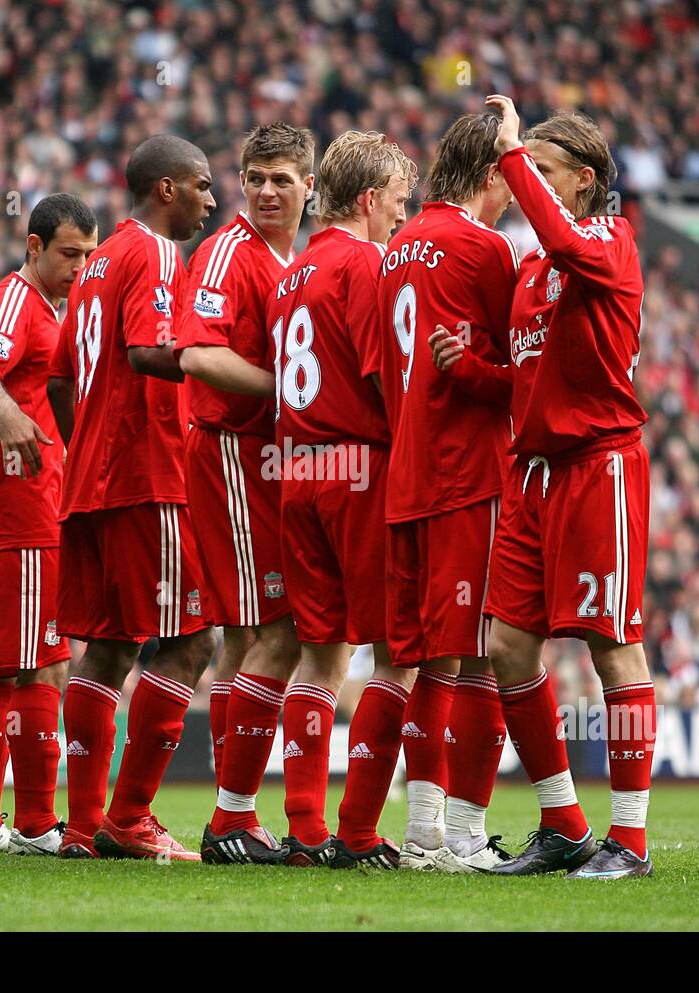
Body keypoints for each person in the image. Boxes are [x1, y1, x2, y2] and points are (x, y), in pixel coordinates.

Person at [478, 95, 655, 878]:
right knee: (507, 647)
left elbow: (558, 230)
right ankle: (563, 823)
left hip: (599, 465)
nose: (526, 186)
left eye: (544, 174)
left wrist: (513, 150)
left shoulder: (609, 242)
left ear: (583, 182)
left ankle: (632, 843)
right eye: (525, 171)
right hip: (533, 472)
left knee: (612, 646)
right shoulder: (532, 269)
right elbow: (530, 381)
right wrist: (473, 371)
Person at [46, 135, 218, 861]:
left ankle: (84, 825)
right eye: (203, 185)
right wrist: (229, 368)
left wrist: (89, 441)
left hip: (92, 480)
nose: (213, 200)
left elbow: (58, 379)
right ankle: (131, 816)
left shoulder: (96, 264)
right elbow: (150, 353)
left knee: (110, 647)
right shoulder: (151, 253)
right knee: (190, 639)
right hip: (149, 478)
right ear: (168, 189)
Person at [263, 130, 418, 868]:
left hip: (297, 471)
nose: (399, 213)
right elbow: (382, 373)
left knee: (318, 658)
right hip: (360, 467)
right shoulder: (366, 262)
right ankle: (359, 833)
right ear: (367, 198)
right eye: (395, 200)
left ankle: (304, 828)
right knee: (397, 656)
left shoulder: (293, 271)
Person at [376, 112, 520, 872]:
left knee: (432, 659)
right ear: (492, 175)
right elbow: (522, 375)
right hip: (470, 475)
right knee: (486, 656)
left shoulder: (394, 248)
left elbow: (379, 372)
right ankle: (460, 834)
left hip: (406, 480)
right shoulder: (485, 247)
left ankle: (423, 832)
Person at [174, 123, 315, 865]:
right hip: (233, 450)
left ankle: (240, 814)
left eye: (281, 179)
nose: (265, 191)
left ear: (309, 189)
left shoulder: (294, 258)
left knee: (241, 638)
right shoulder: (229, 252)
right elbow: (196, 353)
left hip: (267, 457)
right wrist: (290, 393)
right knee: (279, 629)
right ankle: (234, 817)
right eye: (255, 177)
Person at [0, 193, 98, 855]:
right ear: (34, 246)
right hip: (15, 513)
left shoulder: (50, 311)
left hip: (22, 515)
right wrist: (9, 413)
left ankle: (13, 824)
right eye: (69, 253)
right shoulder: (15, 299)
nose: (80, 266)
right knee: (25, 670)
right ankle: (10, 825)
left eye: (88, 254)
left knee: (29, 668)